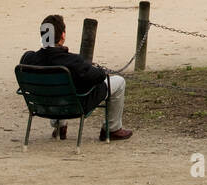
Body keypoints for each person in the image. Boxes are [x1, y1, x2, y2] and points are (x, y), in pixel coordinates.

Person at [18, 13, 133, 141]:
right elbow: (97, 77)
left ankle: (59, 125)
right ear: (62, 35)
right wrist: (100, 70)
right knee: (119, 81)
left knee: (54, 88)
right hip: (75, 106)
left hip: (43, 106)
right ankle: (112, 129)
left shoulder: (28, 59)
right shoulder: (73, 61)